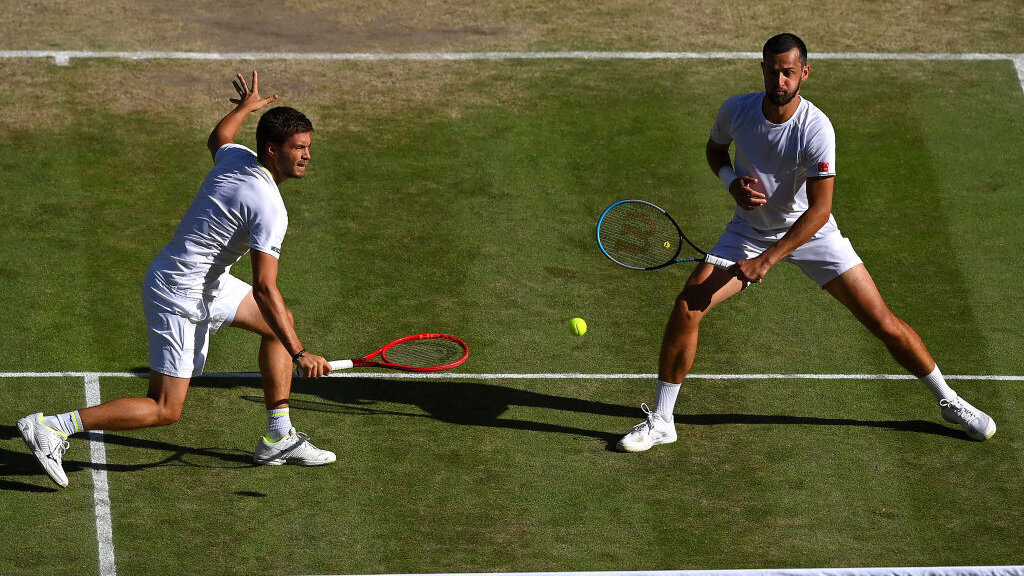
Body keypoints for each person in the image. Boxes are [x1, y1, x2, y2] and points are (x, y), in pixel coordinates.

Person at [617, 33, 996, 452]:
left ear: (805, 73)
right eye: (773, 70)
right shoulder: (736, 111)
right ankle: (663, 420)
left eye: (788, 72)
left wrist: (767, 260)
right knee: (688, 307)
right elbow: (715, 150)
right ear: (762, 68)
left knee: (882, 322)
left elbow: (818, 211)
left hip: (812, 235)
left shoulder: (816, 128)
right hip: (747, 231)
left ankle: (949, 400)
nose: (780, 81)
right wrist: (731, 183)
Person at [18, 71, 336, 488]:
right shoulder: (270, 208)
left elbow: (218, 137)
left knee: (279, 323)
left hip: (207, 282)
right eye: (299, 148)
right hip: (179, 293)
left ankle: (278, 437)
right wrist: (301, 354)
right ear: (273, 150)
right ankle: (53, 426)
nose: (307, 156)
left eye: (308, 147)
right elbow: (263, 287)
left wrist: (243, 108)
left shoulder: (237, 157)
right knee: (164, 408)